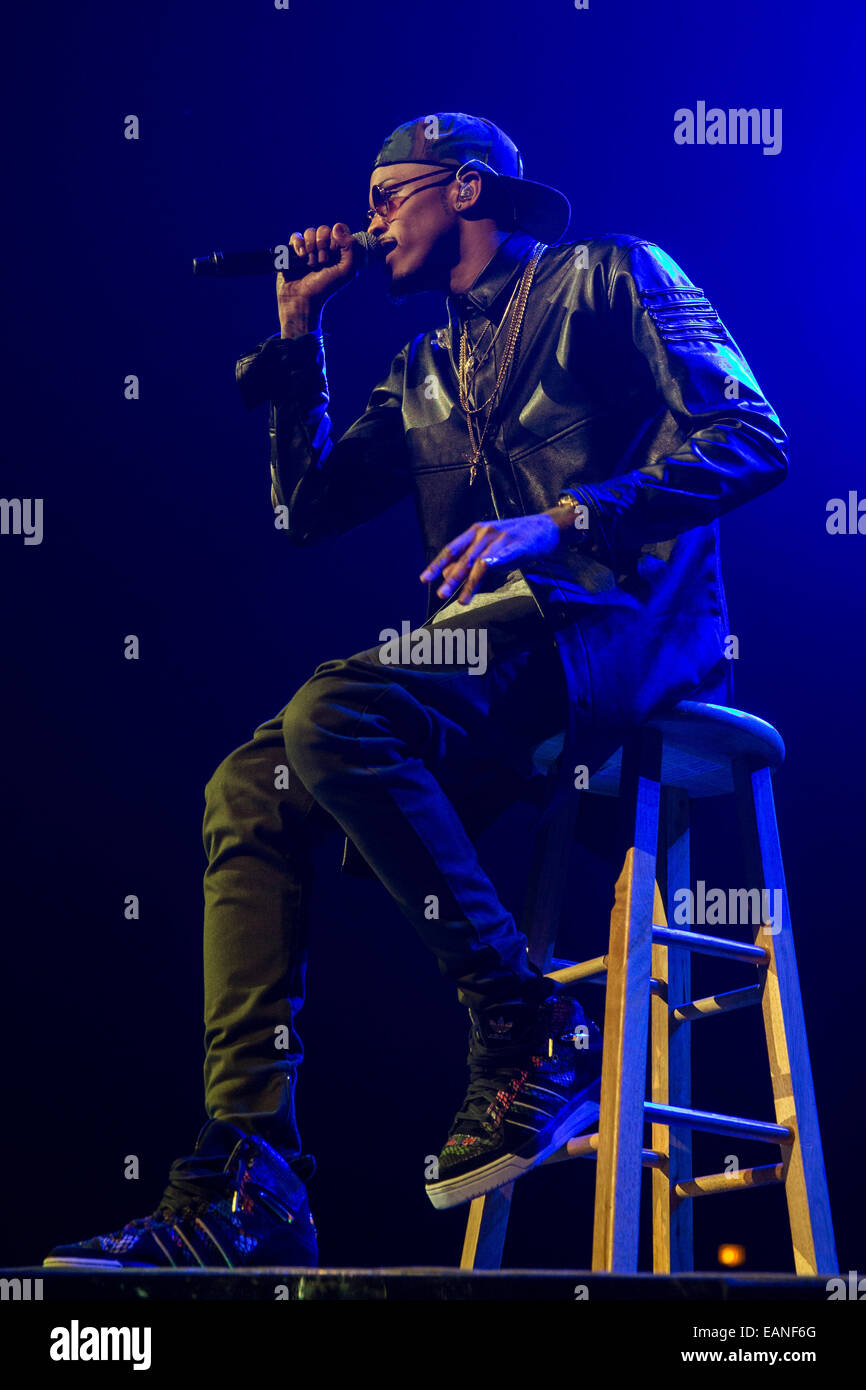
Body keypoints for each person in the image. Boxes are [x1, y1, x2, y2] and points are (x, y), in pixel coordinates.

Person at [44, 112, 788, 1269]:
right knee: (250, 781)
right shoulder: (424, 364)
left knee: (333, 708)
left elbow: (752, 434)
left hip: (617, 620)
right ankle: (250, 1173)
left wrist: (563, 519)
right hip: (493, 659)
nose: (370, 218)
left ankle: (529, 1021)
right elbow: (302, 514)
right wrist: (300, 329)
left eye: (388, 196)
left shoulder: (611, 276)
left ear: (468, 188)